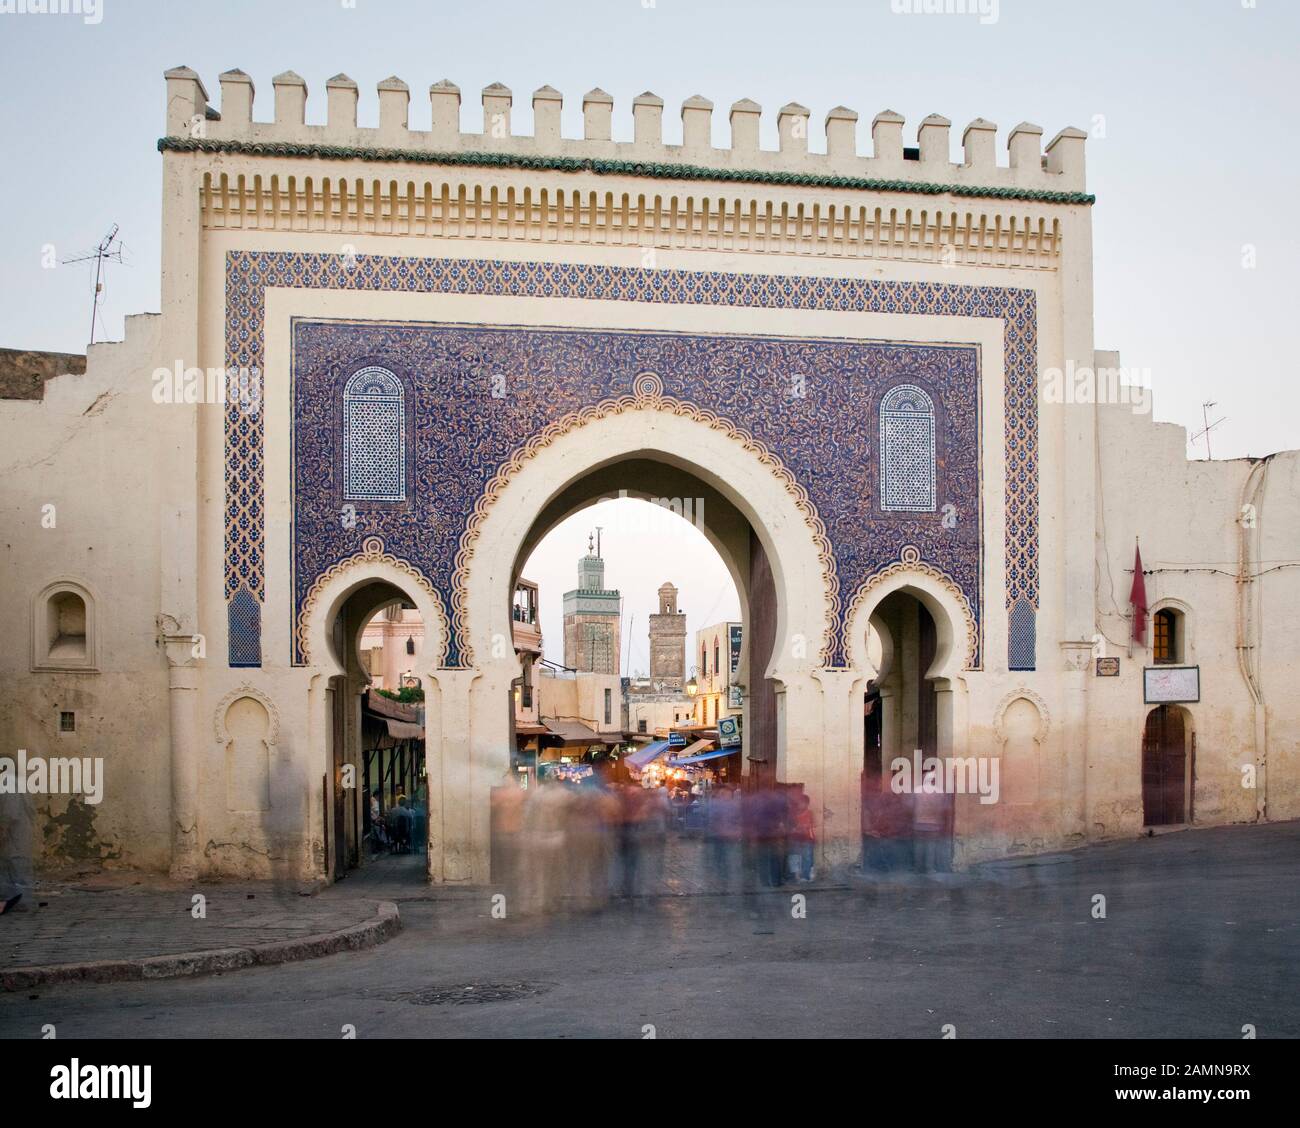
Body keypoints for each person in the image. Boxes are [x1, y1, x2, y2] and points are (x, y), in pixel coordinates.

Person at [791, 793, 816, 882]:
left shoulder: (809, 813)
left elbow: (810, 825)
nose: (800, 805)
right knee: (795, 857)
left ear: (807, 804)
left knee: (807, 857)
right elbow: (792, 827)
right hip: (796, 839)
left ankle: (805, 876)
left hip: (807, 839)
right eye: (799, 803)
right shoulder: (793, 815)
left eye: (802, 803)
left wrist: (800, 827)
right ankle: (795, 876)